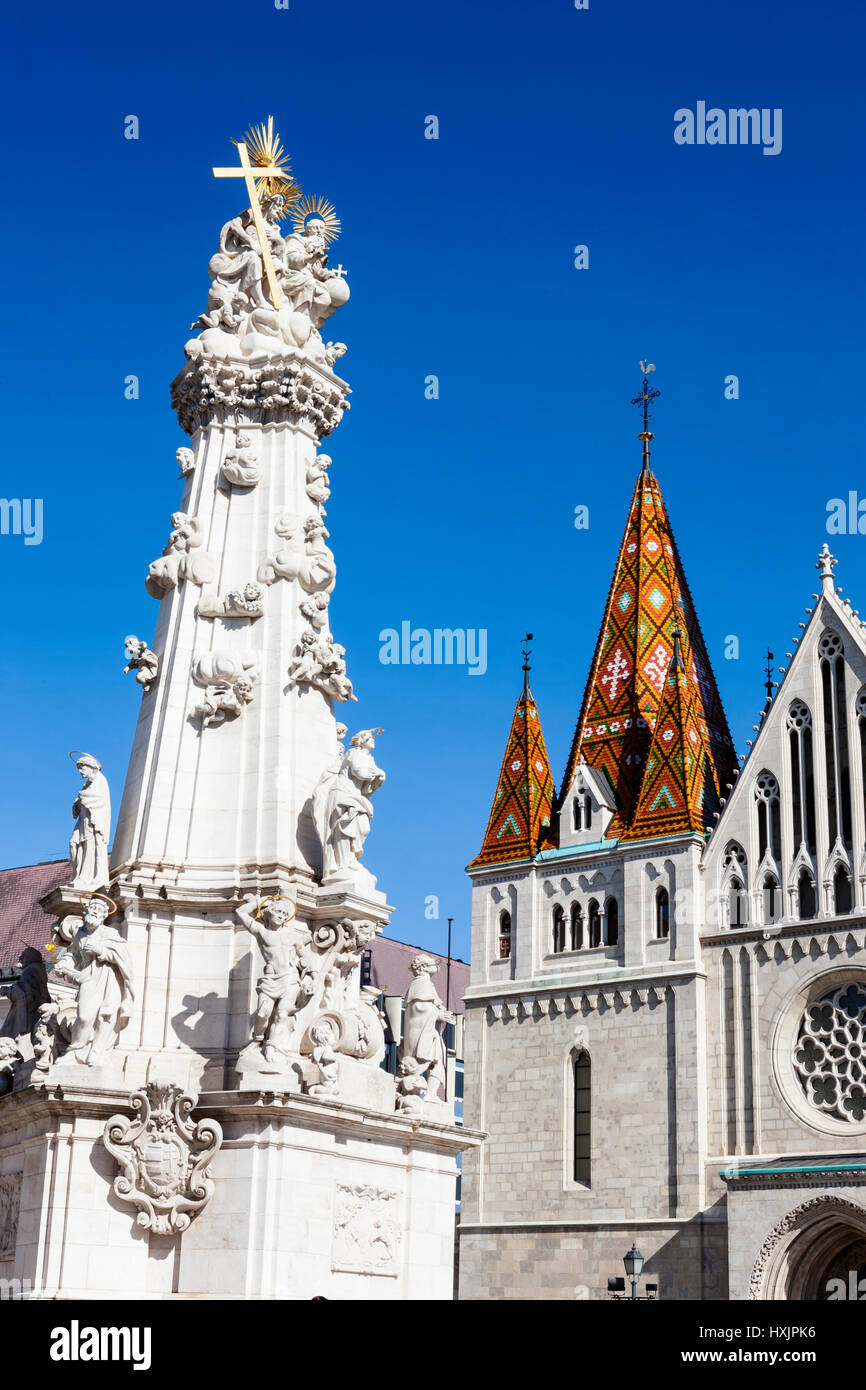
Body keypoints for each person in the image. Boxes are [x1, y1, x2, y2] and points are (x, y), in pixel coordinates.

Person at [54, 896, 134, 1066]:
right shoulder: (80, 933)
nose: (94, 913)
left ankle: (96, 1053)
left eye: (98, 911)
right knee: (83, 1016)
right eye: (91, 909)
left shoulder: (110, 933)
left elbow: (123, 957)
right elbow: (72, 954)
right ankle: (75, 1051)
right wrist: (64, 964)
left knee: (106, 1016)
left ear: (104, 915)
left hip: (109, 979)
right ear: (86, 912)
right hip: (88, 980)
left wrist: (101, 950)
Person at [397, 955, 453, 1102]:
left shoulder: (424, 984)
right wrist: (439, 1014)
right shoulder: (421, 984)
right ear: (422, 967)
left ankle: (431, 1094)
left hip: (427, 1031)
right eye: (430, 963)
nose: (435, 965)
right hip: (423, 1033)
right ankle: (426, 1094)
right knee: (433, 1063)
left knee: (439, 1062)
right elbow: (420, 1008)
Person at [69, 753, 111, 891]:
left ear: (90, 767)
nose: (81, 772)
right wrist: (77, 803)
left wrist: (81, 797)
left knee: (89, 848)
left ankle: (86, 877)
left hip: (93, 823)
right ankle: (78, 875)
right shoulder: (87, 784)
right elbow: (79, 803)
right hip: (83, 821)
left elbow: (96, 798)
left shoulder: (100, 780)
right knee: (73, 844)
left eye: (82, 768)